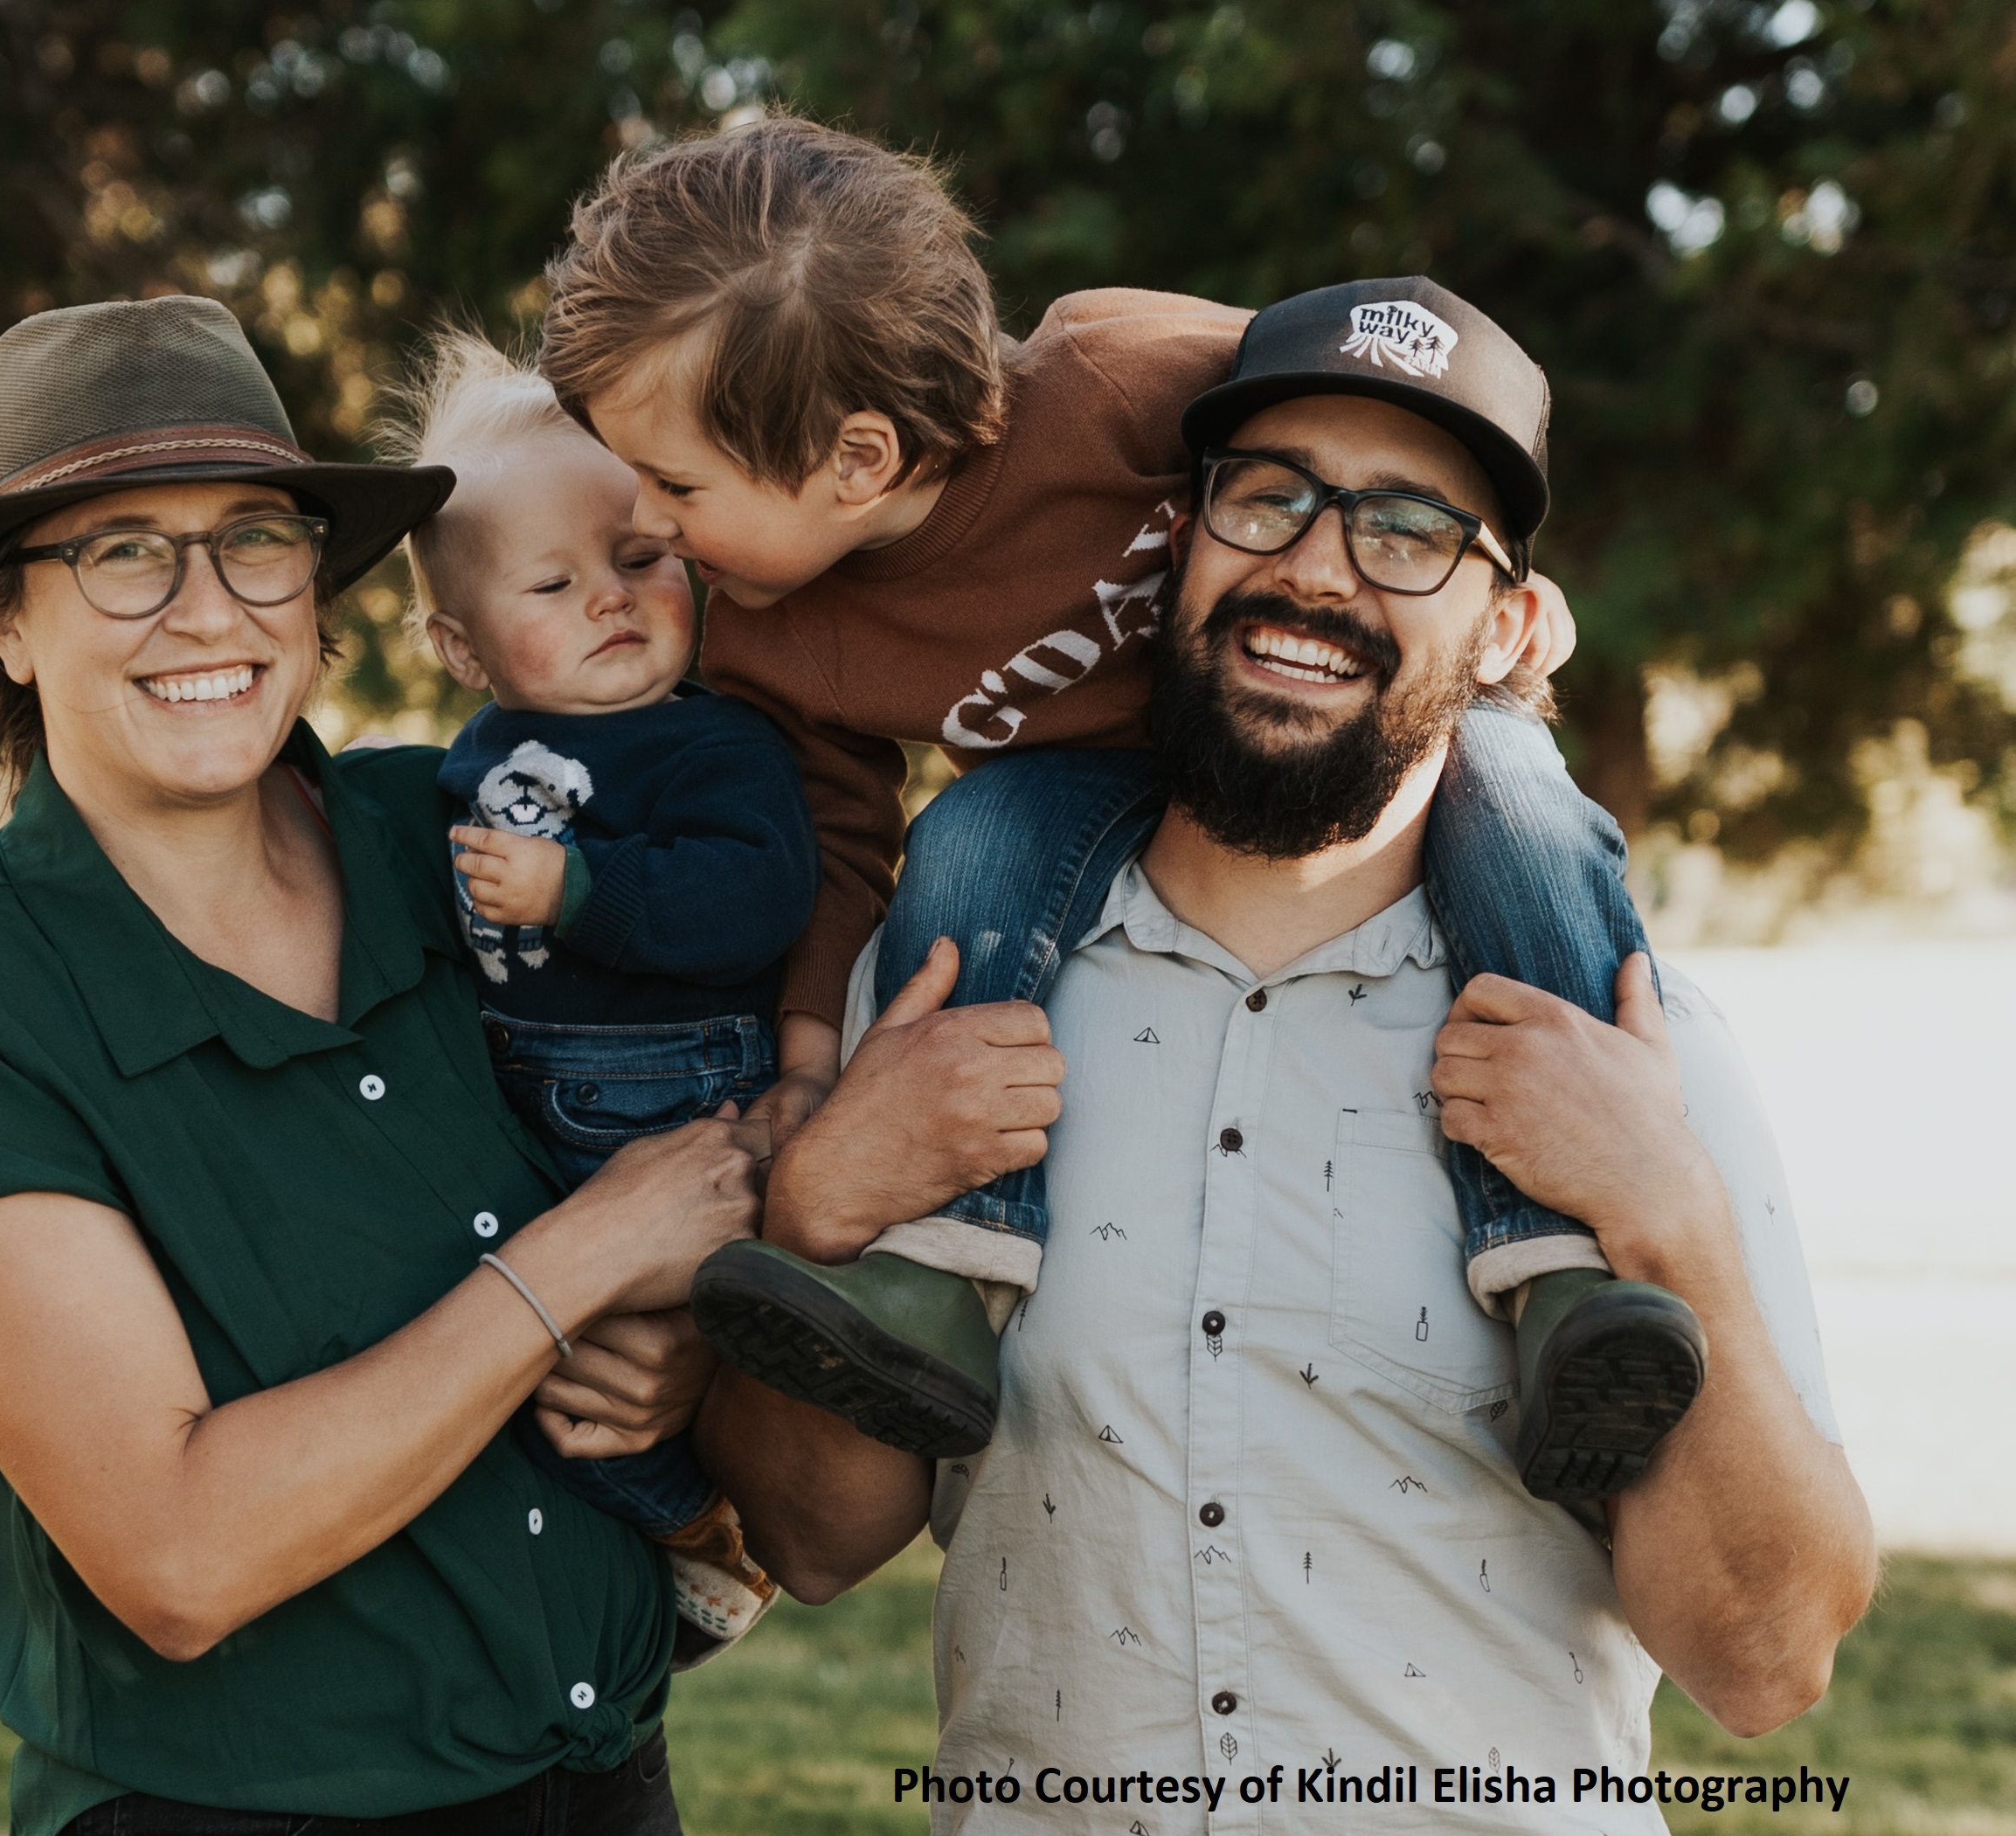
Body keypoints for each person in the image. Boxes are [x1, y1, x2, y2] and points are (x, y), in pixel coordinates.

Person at [690, 281, 1878, 1831]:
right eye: (1267, 499)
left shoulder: (1624, 1045)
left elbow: (1766, 1662)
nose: (1313, 566)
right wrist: (818, 1208)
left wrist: (1669, 1215)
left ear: (1507, 622)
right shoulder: (954, 995)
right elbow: (819, 1538)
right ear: (1177, 544)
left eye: (1406, 530)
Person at [537, 116, 1701, 1502]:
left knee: (1523, 802)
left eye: (674, 484)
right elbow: (837, 848)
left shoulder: (1112, 375)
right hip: (1081, 788)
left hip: (1332, 708)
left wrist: (1501, 584)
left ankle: (1560, 1269)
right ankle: (945, 1275)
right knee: (965, 840)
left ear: (853, 457)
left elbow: (1361, 406)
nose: (653, 527)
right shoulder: (777, 641)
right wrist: (808, 1064)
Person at [0, 296, 756, 1835]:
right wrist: (582, 1261)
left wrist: (686, 1339)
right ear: (6, 621)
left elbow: (701, 1129)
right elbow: (180, 1558)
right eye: (119, 551)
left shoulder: (465, 836)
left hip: (611, 1787)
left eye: (255, 538)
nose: (207, 608)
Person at [387, 328, 815, 1651]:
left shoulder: (711, 741)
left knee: (591, 1392)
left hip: (673, 1099)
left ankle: (705, 1538)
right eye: (553, 583)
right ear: (461, 648)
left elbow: (759, 896)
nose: (609, 603)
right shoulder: (466, 757)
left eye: (638, 560)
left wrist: (579, 892)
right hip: (534, 1113)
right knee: (521, 1378)